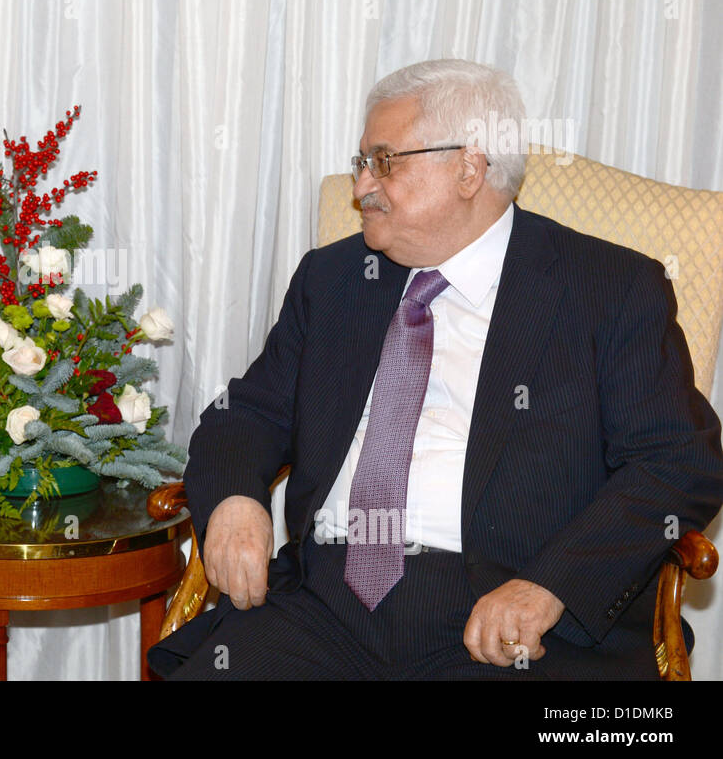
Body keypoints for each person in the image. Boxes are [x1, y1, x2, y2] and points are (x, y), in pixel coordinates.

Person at [150, 59, 723, 679]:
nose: (362, 186)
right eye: (361, 163)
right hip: (325, 606)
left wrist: (548, 587)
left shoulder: (608, 289)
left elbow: (676, 461)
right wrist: (236, 498)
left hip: (507, 615)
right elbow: (249, 412)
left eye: (385, 162)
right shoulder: (335, 279)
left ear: (469, 168)